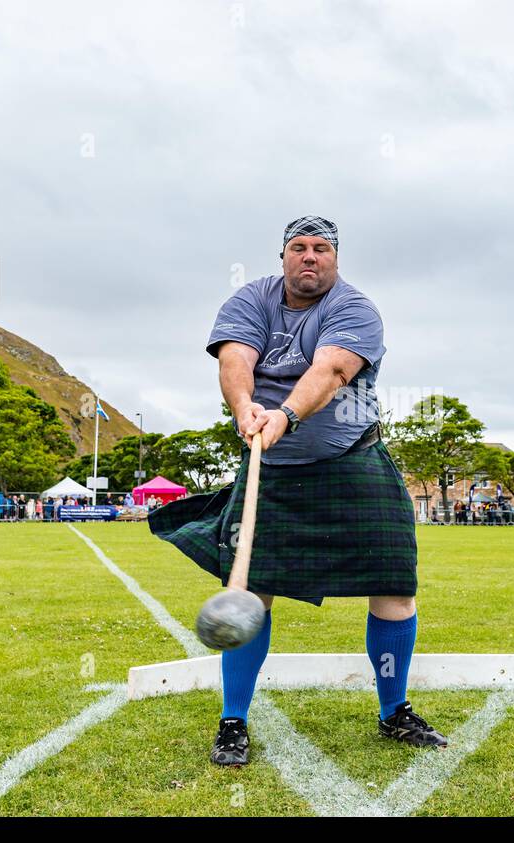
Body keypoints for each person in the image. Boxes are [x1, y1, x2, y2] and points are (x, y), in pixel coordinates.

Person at [151, 215, 445, 766]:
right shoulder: (251, 299)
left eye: (321, 249)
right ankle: (233, 721)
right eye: (298, 248)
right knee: (252, 593)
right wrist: (245, 411)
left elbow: (332, 371)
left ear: (335, 258)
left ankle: (393, 710)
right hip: (275, 470)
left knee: (393, 587)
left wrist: (283, 414)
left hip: (352, 460)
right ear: (283, 256)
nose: (309, 257)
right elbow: (236, 358)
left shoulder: (355, 309)